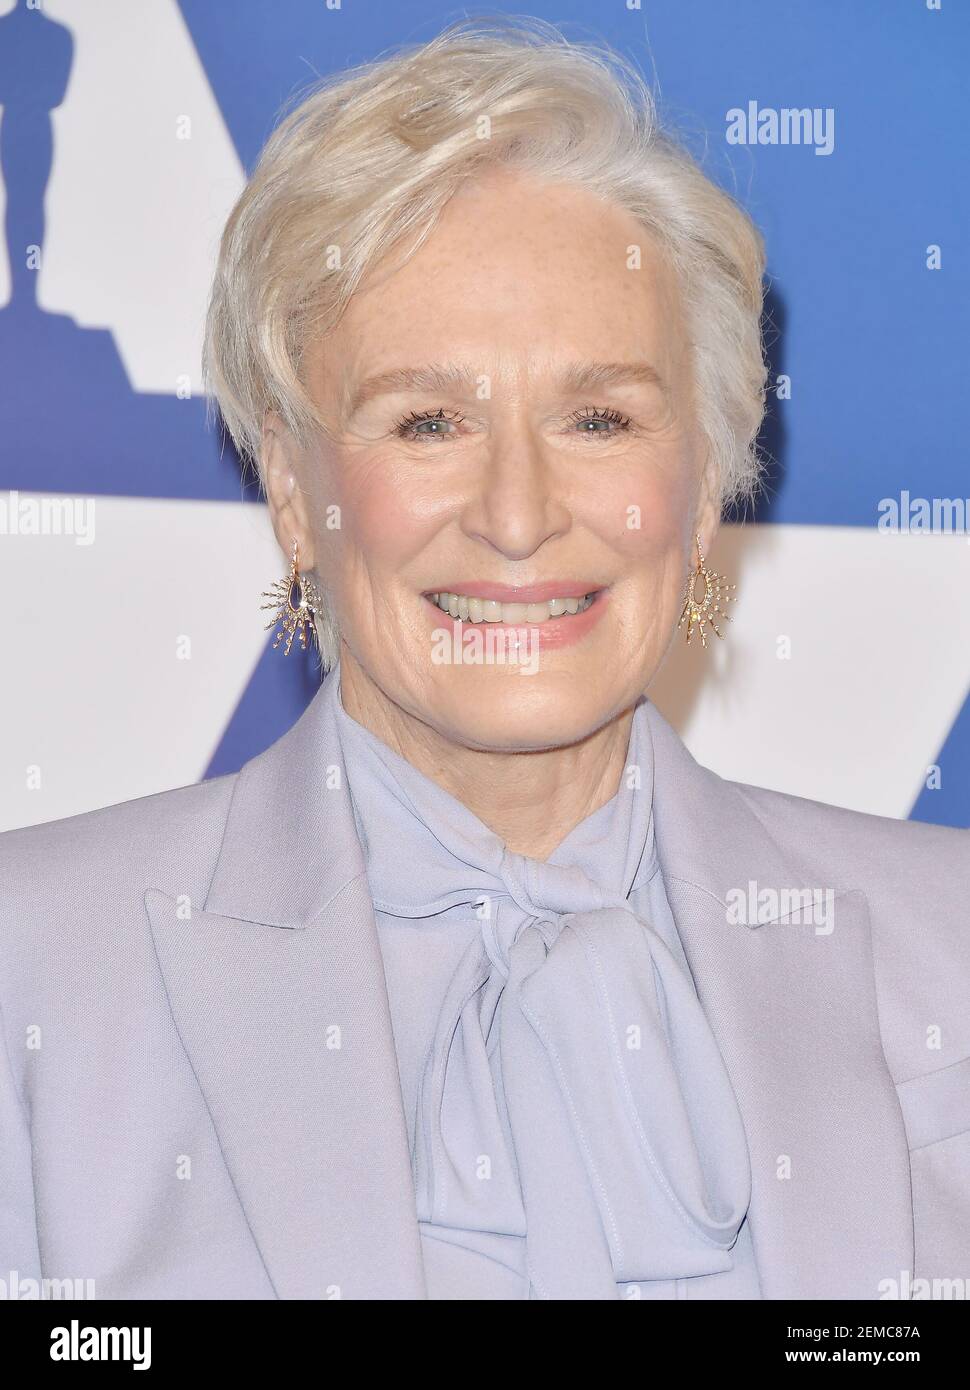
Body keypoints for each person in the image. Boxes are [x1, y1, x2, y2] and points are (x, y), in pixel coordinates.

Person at [1, 18, 968, 1301]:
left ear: (703, 482)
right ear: (294, 488)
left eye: (598, 416)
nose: (517, 513)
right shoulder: (32, 967)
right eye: (429, 420)